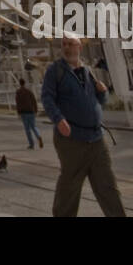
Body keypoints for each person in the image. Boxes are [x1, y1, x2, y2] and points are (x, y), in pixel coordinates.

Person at [40, 36, 125, 217]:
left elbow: (97, 101)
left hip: (96, 138)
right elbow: (47, 98)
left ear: (79, 47)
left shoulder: (87, 71)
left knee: (108, 186)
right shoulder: (55, 71)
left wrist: (103, 94)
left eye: (71, 44)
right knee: (70, 187)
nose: (67, 48)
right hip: (72, 140)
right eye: (64, 45)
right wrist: (58, 119)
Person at [16, 78, 44, 149]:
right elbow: (34, 101)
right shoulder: (29, 91)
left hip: (23, 112)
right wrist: (36, 110)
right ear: (25, 83)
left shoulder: (18, 92)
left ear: (20, 83)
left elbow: (18, 103)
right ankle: (38, 136)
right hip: (31, 111)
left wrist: (18, 112)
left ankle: (31, 144)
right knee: (33, 126)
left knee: (27, 129)